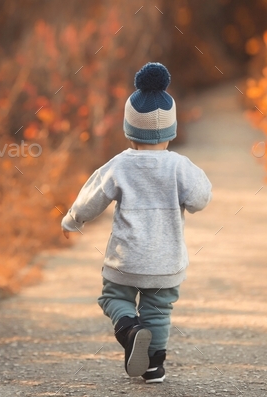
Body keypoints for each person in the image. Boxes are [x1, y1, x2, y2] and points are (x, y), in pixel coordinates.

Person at [61, 62, 212, 383]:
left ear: (130, 130)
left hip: (126, 258)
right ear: (170, 131)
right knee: (158, 311)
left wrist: (73, 219)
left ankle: (130, 329)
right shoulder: (179, 166)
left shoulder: (120, 164)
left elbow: (93, 196)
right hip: (166, 261)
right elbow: (200, 198)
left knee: (113, 298)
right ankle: (155, 367)